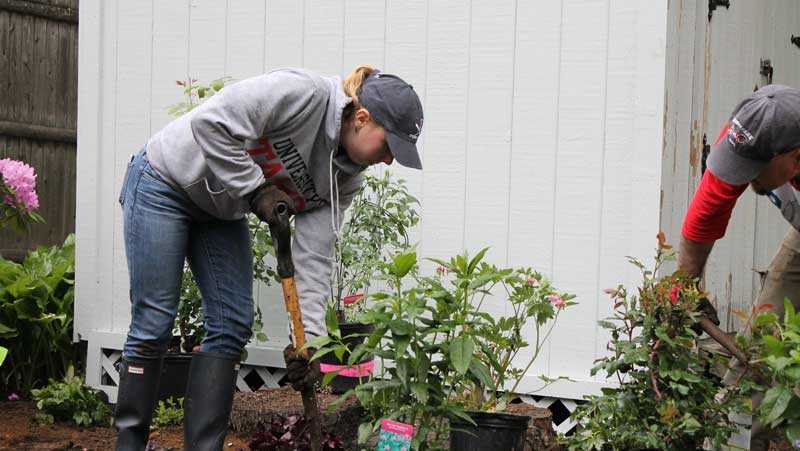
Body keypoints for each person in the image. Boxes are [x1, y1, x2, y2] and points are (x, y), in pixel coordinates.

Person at [113, 64, 424, 451]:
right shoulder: (302, 94)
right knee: (155, 319)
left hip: (219, 211)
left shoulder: (343, 179)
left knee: (231, 323)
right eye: (389, 146)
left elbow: (314, 259)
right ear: (362, 118)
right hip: (164, 181)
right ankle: (130, 444)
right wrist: (256, 189)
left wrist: (312, 346)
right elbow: (209, 123)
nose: (389, 160)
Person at [679, 84, 800, 450]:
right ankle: (730, 444)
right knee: (765, 338)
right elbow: (704, 218)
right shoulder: (749, 134)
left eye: (754, 169)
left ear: (794, 159)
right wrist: (684, 291)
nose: (744, 177)